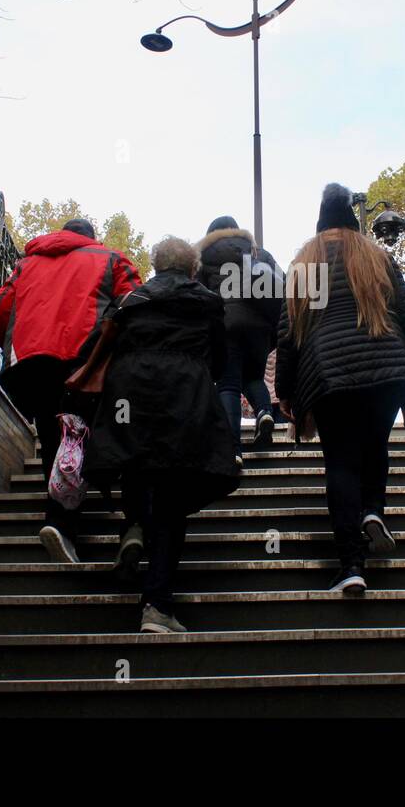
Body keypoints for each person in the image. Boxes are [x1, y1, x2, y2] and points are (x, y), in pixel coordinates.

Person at [275, 184, 405, 595]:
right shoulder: (376, 255)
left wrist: (285, 390)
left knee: (341, 462)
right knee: (376, 445)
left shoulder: (305, 261)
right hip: (386, 366)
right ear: (350, 217)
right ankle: (373, 510)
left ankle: (351, 565)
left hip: (329, 374)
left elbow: (288, 333)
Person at [84, 237, 240, 634]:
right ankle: (156, 605)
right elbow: (221, 361)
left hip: (129, 391)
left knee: (134, 463)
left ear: (154, 266)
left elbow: (101, 345)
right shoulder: (206, 302)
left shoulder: (132, 299)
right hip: (183, 395)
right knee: (171, 500)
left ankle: (134, 525)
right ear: (192, 269)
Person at [0, 218, 142, 563]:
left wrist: (11, 343)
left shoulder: (26, 263)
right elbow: (133, 302)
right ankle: (62, 522)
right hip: (82, 359)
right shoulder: (111, 258)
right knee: (77, 432)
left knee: (51, 433)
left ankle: (62, 517)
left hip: (29, 360)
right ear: (92, 237)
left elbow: (1, 305)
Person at [196, 216, 283, 461]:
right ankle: (265, 412)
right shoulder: (260, 253)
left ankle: (233, 448)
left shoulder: (204, 256)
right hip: (260, 329)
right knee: (253, 377)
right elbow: (282, 286)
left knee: (229, 384)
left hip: (225, 325)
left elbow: (197, 295)